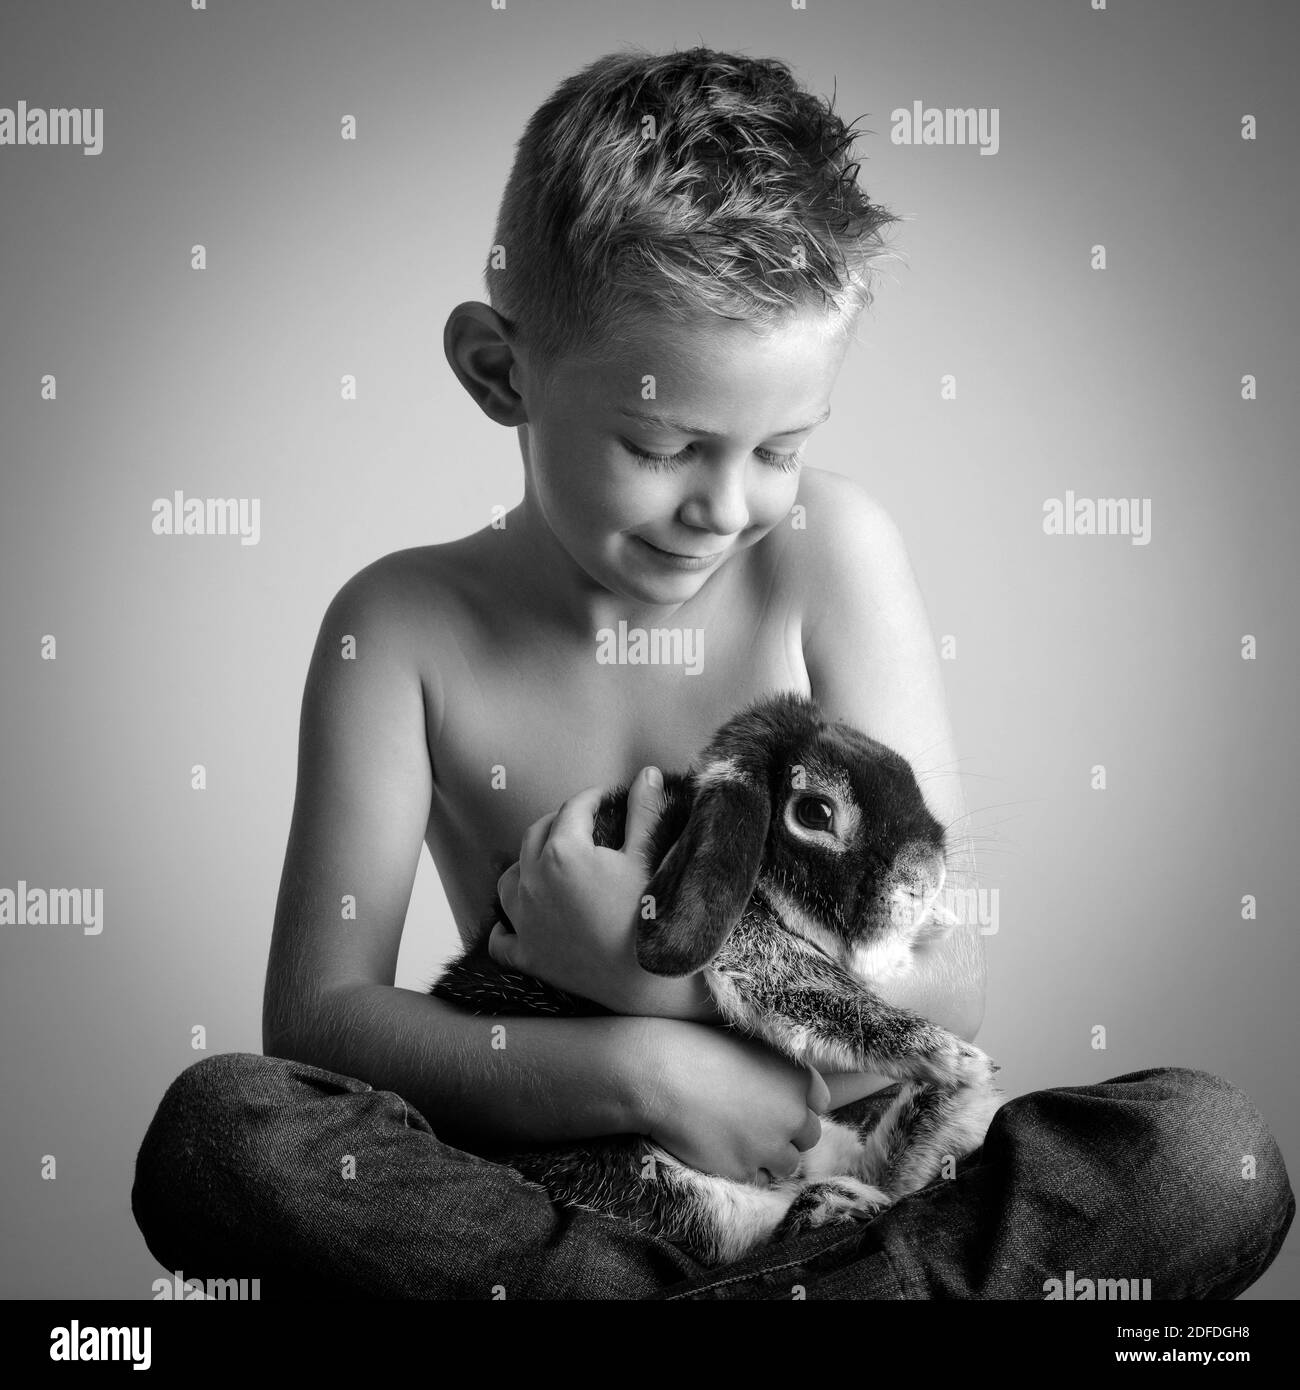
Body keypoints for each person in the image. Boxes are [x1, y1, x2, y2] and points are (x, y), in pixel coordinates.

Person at [131, 46, 1293, 1300]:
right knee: (224, 1132)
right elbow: (317, 1022)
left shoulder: (827, 556)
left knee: (1202, 1153)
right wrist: (642, 1073)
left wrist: (643, 983)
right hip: (576, 1192)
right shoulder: (401, 624)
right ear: (496, 370)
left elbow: (946, 985)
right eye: (665, 444)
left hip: (842, 1180)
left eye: (779, 449)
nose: (725, 505)